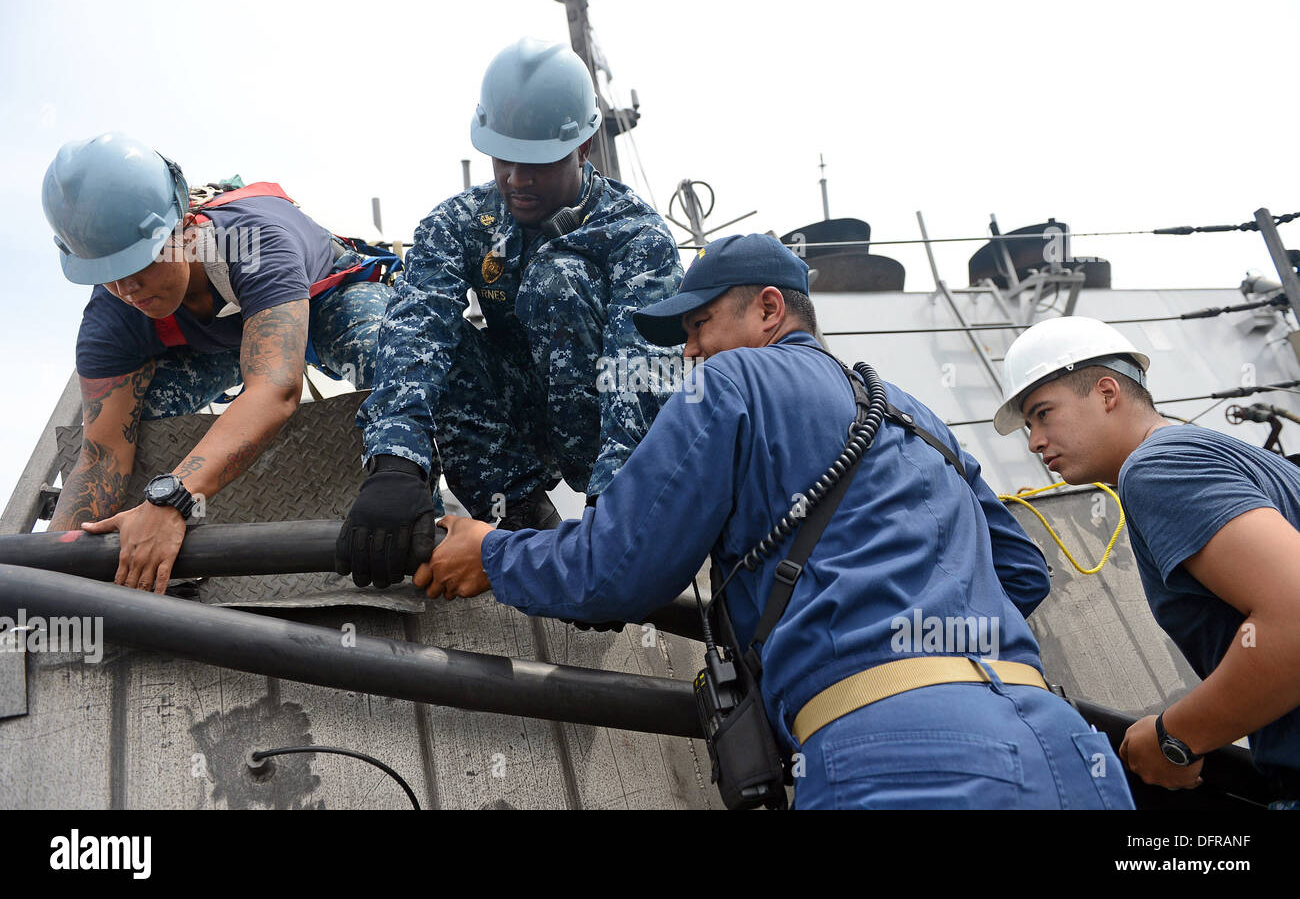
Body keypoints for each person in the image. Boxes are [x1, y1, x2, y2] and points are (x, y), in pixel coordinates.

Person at [420, 233, 1133, 810]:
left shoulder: (731, 383)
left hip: (901, 764)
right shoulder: (916, 413)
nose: (690, 350)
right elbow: (1021, 572)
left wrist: (494, 553)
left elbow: (618, 567)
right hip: (1068, 751)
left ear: (768, 310)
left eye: (698, 324)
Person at [338, 37, 684, 589]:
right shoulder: (460, 224)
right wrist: (396, 459)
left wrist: (614, 527)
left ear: (585, 146)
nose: (517, 179)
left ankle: (610, 512)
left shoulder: (637, 237)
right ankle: (518, 515)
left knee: (557, 278)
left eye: (539, 163)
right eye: (504, 158)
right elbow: (417, 325)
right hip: (520, 418)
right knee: (431, 343)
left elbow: (638, 377)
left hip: (609, 427)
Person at [43, 132, 392, 594]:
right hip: (218, 343)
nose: (127, 289)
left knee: (390, 355)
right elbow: (104, 454)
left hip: (321, 301)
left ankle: (409, 514)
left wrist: (175, 500)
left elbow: (273, 392)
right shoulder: (112, 318)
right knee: (135, 415)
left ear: (186, 225)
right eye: (108, 276)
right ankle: (167, 556)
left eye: (141, 263)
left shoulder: (256, 243)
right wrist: (43, 574)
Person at [994, 315, 1300, 808]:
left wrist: (1175, 737)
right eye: (1029, 426)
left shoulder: (1157, 468)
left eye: (1044, 414)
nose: (1033, 442)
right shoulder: (1229, 455)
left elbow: (1295, 616)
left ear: (1107, 393)